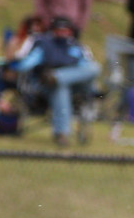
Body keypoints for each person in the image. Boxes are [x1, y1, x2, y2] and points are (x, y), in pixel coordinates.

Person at [10, 15, 101, 147]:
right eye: (59, 29)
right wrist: (14, 63)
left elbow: (86, 68)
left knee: (94, 68)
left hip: (74, 85)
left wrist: (60, 77)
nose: (63, 33)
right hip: (45, 86)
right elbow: (25, 65)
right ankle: (62, 134)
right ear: (53, 30)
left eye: (66, 30)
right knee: (60, 88)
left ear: (71, 31)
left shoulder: (77, 47)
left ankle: (57, 77)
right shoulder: (44, 44)